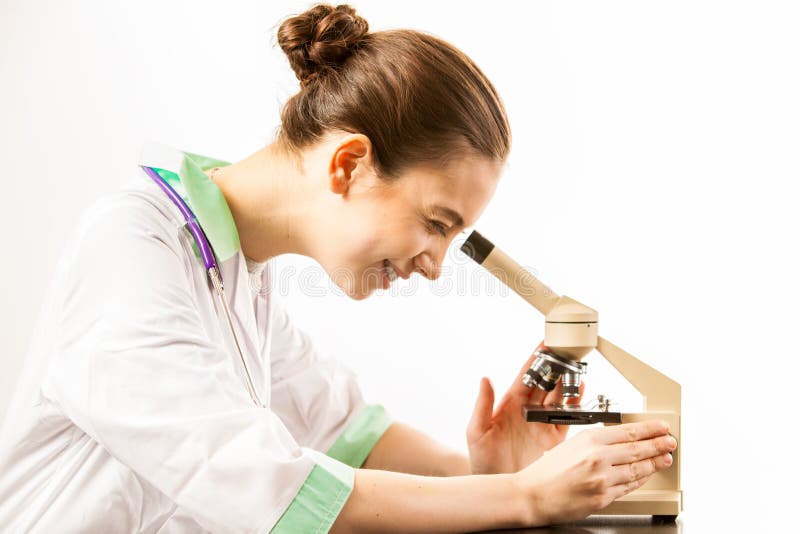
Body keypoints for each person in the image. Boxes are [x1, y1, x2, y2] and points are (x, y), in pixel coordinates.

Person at [0, 4, 676, 532]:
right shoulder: (134, 246)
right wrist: (523, 497)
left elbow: (350, 436)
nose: (436, 265)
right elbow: (279, 493)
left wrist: (490, 474)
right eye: (437, 223)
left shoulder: (239, 277)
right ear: (348, 164)